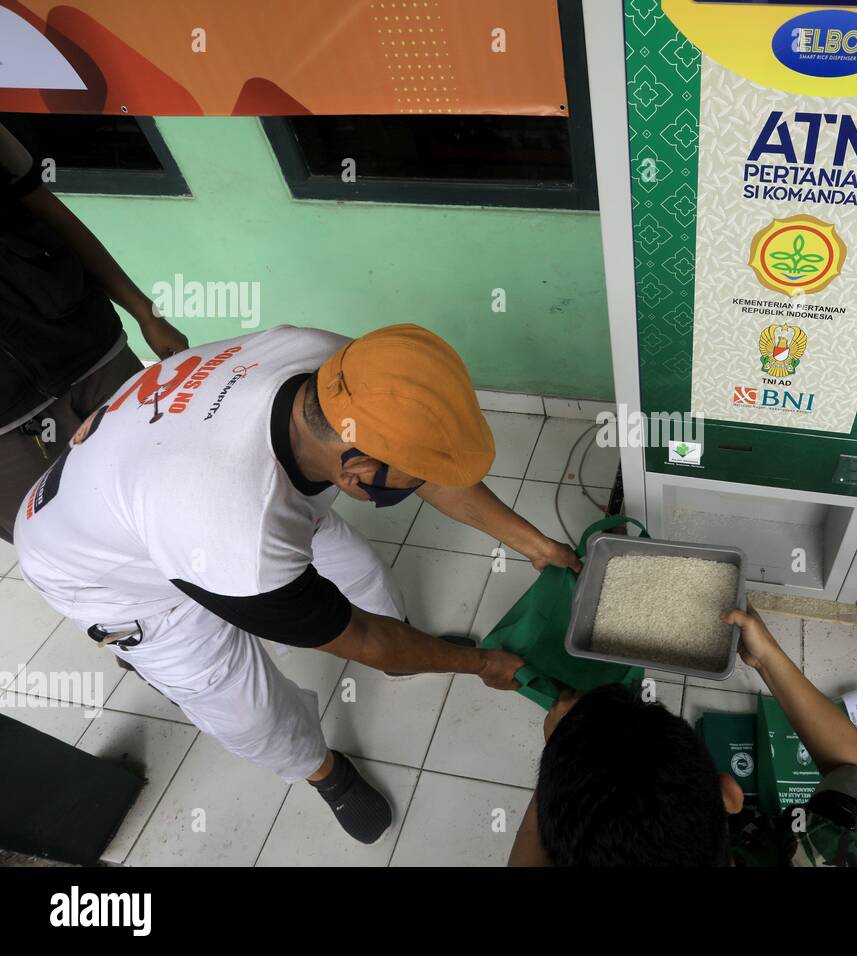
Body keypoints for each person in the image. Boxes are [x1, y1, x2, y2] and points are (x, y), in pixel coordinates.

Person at [15, 323, 579, 844]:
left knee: (359, 570)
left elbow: (425, 468)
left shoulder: (341, 370)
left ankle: (408, 657)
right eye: (414, 475)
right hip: (113, 578)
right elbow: (355, 634)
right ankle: (323, 774)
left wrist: (536, 546)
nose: (424, 481)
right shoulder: (243, 533)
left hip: (158, 486)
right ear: (355, 470)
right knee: (244, 707)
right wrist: (483, 665)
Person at [508, 606, 857, 866]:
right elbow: (854, 769)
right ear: (730, 795)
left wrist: (568, 755)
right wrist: (766, 658)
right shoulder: (832, 854)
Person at [0, 121, 187, 542]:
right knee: (66, 542)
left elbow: (49, 211)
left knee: (173, 484)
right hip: (6, 430)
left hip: (91, 352)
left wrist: (146, 313)